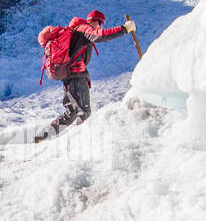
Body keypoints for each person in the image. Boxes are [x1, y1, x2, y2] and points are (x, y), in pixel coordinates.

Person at [35, 10, 136, 142]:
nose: (101, 26)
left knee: (71, 113)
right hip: (76, 76)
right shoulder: (84, 29)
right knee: (84, 113)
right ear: (94, 21)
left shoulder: (77, 31)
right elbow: (101, 35)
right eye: (100, 23)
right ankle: (78, 143)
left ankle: (41, 138)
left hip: (70, 76)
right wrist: (124, 29)